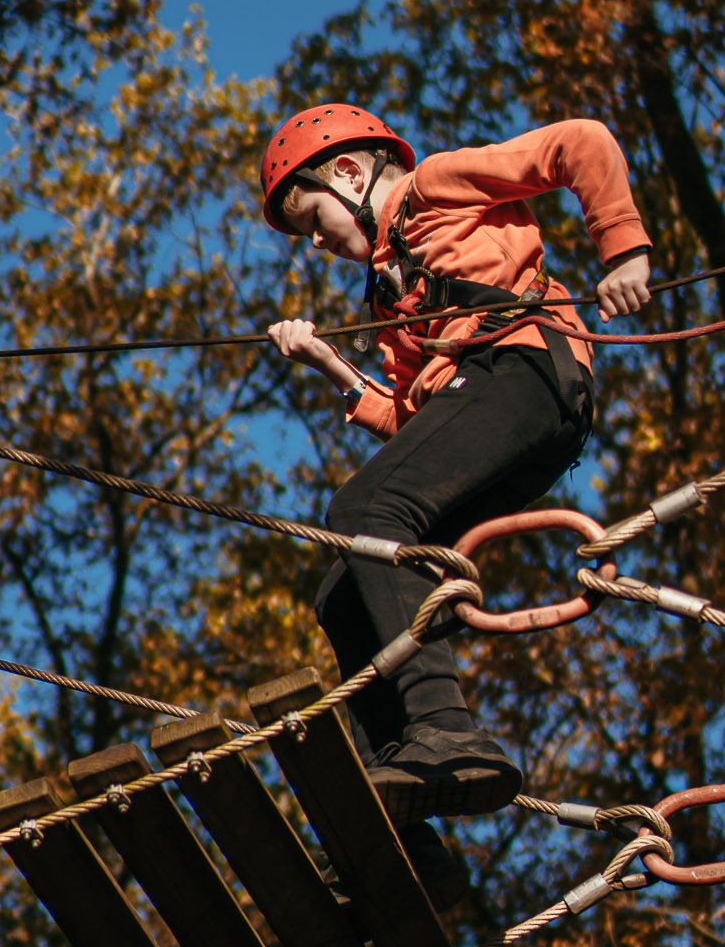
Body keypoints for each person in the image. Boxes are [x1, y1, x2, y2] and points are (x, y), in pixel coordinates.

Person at [260, 102, 653, 820]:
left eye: (315, 222)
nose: (317, 245)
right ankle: (396, 788)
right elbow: (420, 426)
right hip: (497, 398)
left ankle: (444, 727)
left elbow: (578, 140)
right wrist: (331, 367)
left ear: (348, 172)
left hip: (524, 366)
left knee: (364, 513)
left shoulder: (436, 186)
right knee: (345, 590)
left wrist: (622, 247)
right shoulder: (390, 295)